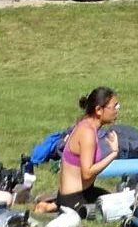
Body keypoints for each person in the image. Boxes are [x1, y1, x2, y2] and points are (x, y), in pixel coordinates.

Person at [43, 87, 132, 216]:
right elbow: (87, 173)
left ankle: (52, 206)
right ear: (99, 110)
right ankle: (55, 206)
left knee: (122, 204)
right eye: (114, 106)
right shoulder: (87, 133)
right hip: (73, 198)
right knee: (114, 212)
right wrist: (113, 154)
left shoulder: (88, 125)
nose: (117, 110)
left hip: (87, 191)